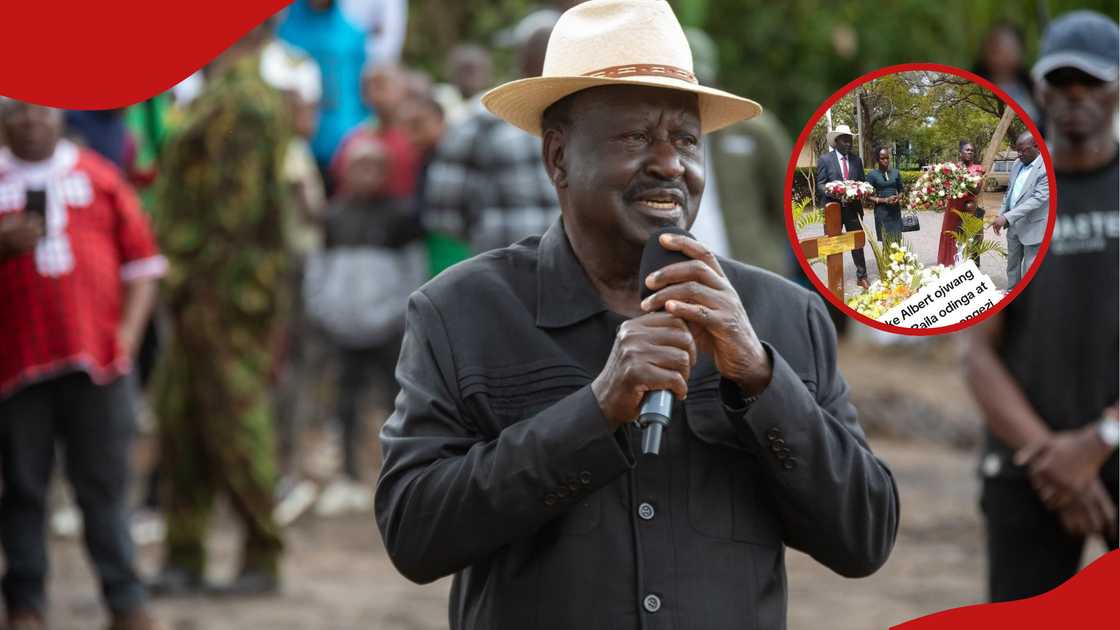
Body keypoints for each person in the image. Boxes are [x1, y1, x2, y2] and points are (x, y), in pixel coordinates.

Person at [374, 2, 899, 628]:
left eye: (685, 139)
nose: (670, 163)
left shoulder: (783, 317)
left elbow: (864, 539)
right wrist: (595, 412)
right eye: (634, 137)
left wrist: (759, 380)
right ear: (558, 158)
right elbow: (414, 534)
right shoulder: (460, 314)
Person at [964, 9, 1118, 604]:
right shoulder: (1011, 197)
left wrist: (1097, 442)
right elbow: (978, 354)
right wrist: (1051, 460)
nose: (1077, 97)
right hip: (1028, 468)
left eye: (1094, 82)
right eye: (1063, 82)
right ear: (1041, 89)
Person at [0, 100, 165, 630]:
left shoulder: (98, 175)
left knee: (105, 489)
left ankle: (125, 602)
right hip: (14, 366)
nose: (30, 122)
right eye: (16, 112)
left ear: (60, 116)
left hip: (99, 365)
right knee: (23, 489)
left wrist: (127, 337)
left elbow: (142, 265)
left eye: (40, 112)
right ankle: (25, 605)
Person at [148, 25, 291, 597]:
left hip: (225, 292)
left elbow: (237, 214)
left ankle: (262, 555)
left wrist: (189, 276)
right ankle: (184, 554)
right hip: (194, 286)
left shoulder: (245, 101)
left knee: (235, 423)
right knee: (179, 419)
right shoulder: (211, 95)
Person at [310, 137, 423, 515]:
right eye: (359, 166)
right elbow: (318, 270)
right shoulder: (333, 216)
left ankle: (401, 473)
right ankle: (348, 474)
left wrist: (396, 313)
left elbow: (413, 273)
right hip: (342, 328)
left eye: (375, 166)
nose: (366, 174)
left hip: (388, 328)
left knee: (397, 400)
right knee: (344, 402)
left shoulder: (401, 217)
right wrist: (327, 310)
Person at [423, 13, 561, 271]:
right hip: (504, 273)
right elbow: (445, 212)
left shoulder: (587, 121)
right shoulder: (481, 121)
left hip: (569, 276)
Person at [683, 27, 793, 273]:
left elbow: (796, 203)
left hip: (754, 275)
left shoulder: (753, 131)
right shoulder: (657, 142)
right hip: (682, 281)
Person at [277, 0, 368, 183]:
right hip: (291, 138)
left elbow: (361, 89)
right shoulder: (282, 29)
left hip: (340, 137)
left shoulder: (352, 33)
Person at [991, 131, 1048, 289]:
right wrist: (1001, 214)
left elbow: (1038, 199)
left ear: (1037, 146)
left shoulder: (1046, 167)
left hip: (1033, 226)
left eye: (1023, 150)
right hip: (1013, 225)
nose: (1019, 154)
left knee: (1030, 269)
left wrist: (1007, 217)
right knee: (1013, 266)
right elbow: (1009, 192)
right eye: (1017, 150)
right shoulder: (1017, 164)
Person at [815, 124, 869, 288]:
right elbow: (821, 185)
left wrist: (861, 191)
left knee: (857, 243)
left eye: (850, 141)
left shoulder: (856, 160)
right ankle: (836, 279)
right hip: (833, 210)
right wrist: (835, 192)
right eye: (845, 141)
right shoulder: (825, 160)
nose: (848, 144)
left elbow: (861, 181)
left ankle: (862, 277)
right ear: (836, 141)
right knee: (833, 244)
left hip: (852, 209)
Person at [973, 22, 1042, 125]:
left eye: (1010, 50)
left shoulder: (1032, 85)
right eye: (997, 49)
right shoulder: (974, 84)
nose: (1004, 56)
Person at [935, 141, 985, 267]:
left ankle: (967, 268)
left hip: (968, 210)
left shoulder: (977, 169)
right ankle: (948, 265)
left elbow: (976, 189)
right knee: (950, 235)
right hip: (953, 208)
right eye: (967, 150)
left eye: (972, 150)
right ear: (960, 153)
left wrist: (963, 178)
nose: (970, 152)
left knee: (968, 238)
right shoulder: (952, 169)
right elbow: (944, 188)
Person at [866, 147, 904, 243]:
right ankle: (886, 258)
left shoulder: (896, 173)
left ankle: (898, 259)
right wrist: (884, 200)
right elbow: (866, 196)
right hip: (882, 212)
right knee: (886, 242)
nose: (885, 160)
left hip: (895, 212)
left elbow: (902, 191)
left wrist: (898, 198)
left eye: (887, 158)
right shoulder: (872, 175)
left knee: (897, 241)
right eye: (882, 158)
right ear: (877, 159)